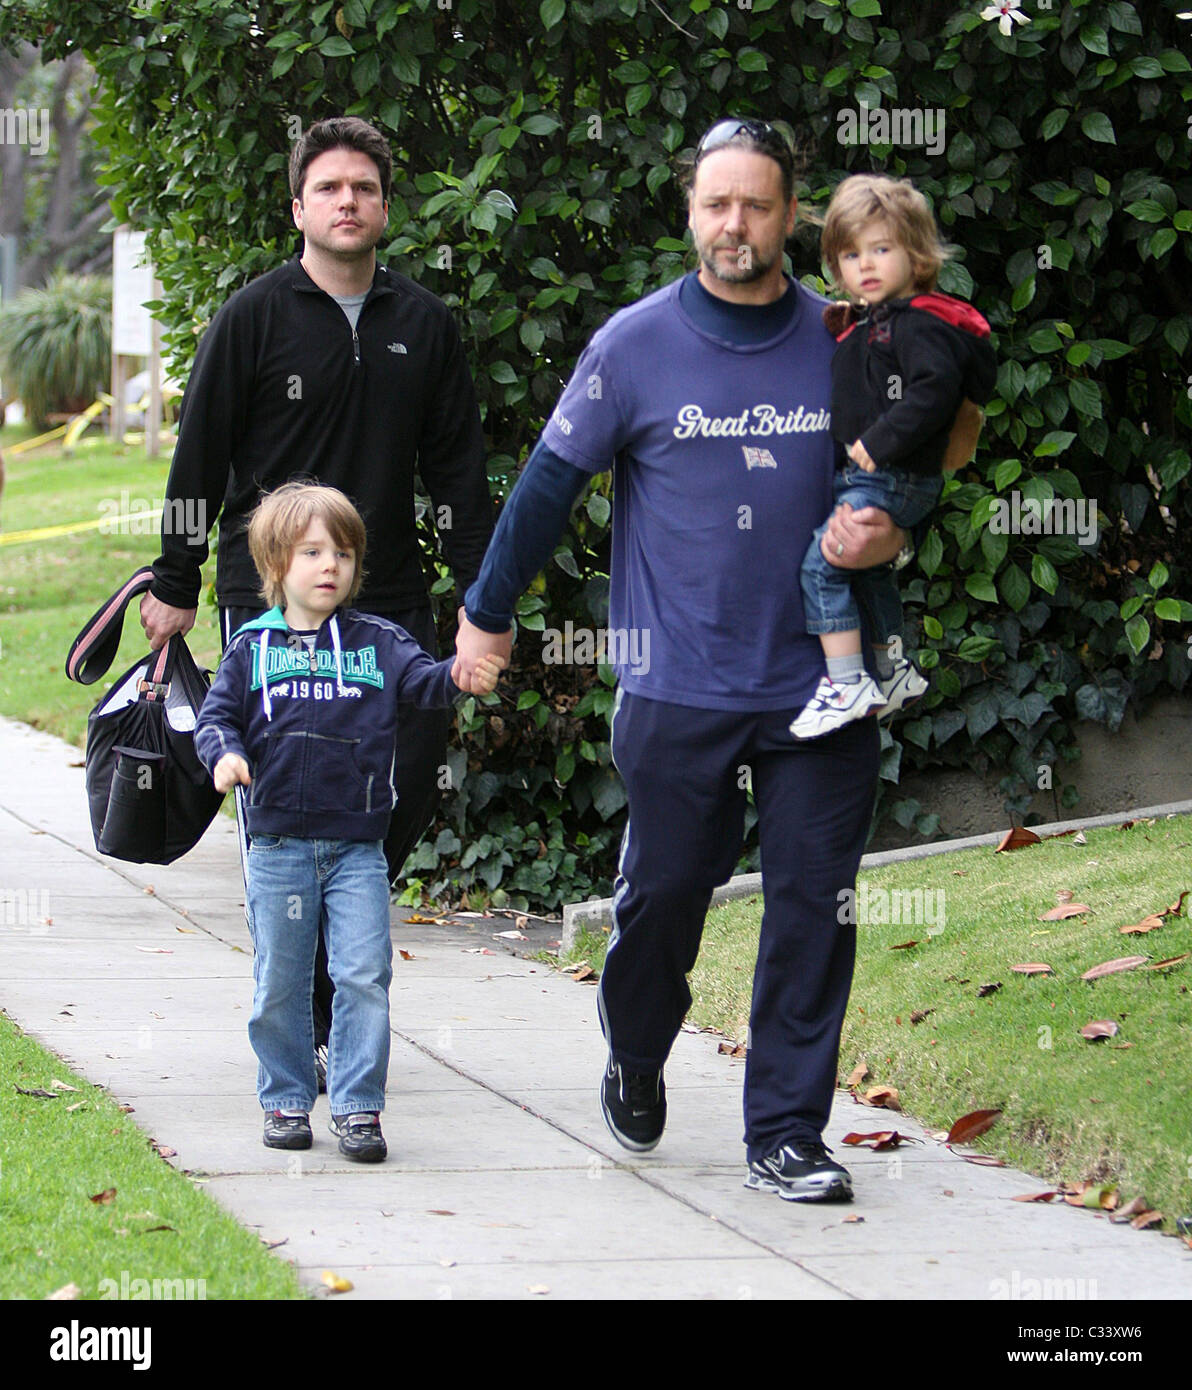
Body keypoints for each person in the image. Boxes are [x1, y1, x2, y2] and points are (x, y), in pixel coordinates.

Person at [453, 119, 925, 1203]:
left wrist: (893, 530)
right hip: (677, 684)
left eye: (756, 204)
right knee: (665, 896)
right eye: (716, 203)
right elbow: (543, 490)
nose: (734, 224)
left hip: (824, 684)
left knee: (812, 904)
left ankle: (786, 1135)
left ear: (789, 213)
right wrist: (486, 612)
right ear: (690, 211)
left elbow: (910, 472)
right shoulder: (632, 346)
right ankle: (634, 1045)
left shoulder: (851, 342)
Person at [140, 116, 495, 1082]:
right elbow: (198, 458)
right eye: (330, 188)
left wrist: (482, 599)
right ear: (298, 207)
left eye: (366, 189)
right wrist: (174, 584)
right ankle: (306, 1018)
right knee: (291, 815)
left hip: (388, 609)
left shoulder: (423, 325)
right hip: (270, 611)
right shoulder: (253, 318)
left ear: (386, 207)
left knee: (397, 795)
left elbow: (461, 472)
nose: (349, 202)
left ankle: (330, 992)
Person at [195, 483, 503, 1160]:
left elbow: (428, 682)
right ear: (277, 565)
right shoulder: (252, 648)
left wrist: (464, 674)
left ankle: (359, 1108)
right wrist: (226, 757)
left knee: (363, 974)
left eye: (342, 552)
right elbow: (215, 718)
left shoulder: (379, 644)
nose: (330, 564)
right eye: (312, 551)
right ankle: (284, 1098)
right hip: (277, 848)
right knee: (281, 977)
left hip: (356, 849)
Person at [789, 173, 997, 739]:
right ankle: (892, 667)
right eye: (851, 254)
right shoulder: (883, 319)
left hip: (890, 474)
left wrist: (878, 443)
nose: (867, 264)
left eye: (882, 248)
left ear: (918, 253)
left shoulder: (920, 321)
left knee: (824, 563)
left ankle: (845, 682)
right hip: (890, 476)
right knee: (871, 571)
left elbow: (933, 390)